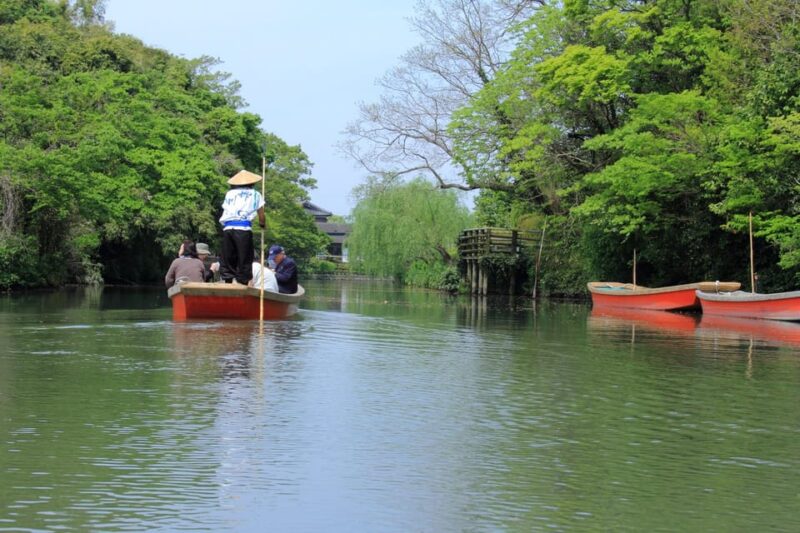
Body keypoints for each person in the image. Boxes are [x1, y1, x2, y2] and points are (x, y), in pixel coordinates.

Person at [219, 170, 266, 285]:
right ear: (252, 183)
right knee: (244, 257)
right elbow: (261, 214)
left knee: (228, 256)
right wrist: (262, 225)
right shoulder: (255, 194)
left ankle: (228, 280)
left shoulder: (229, 193)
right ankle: (243, 282)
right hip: (243, 229)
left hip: (228, 228)